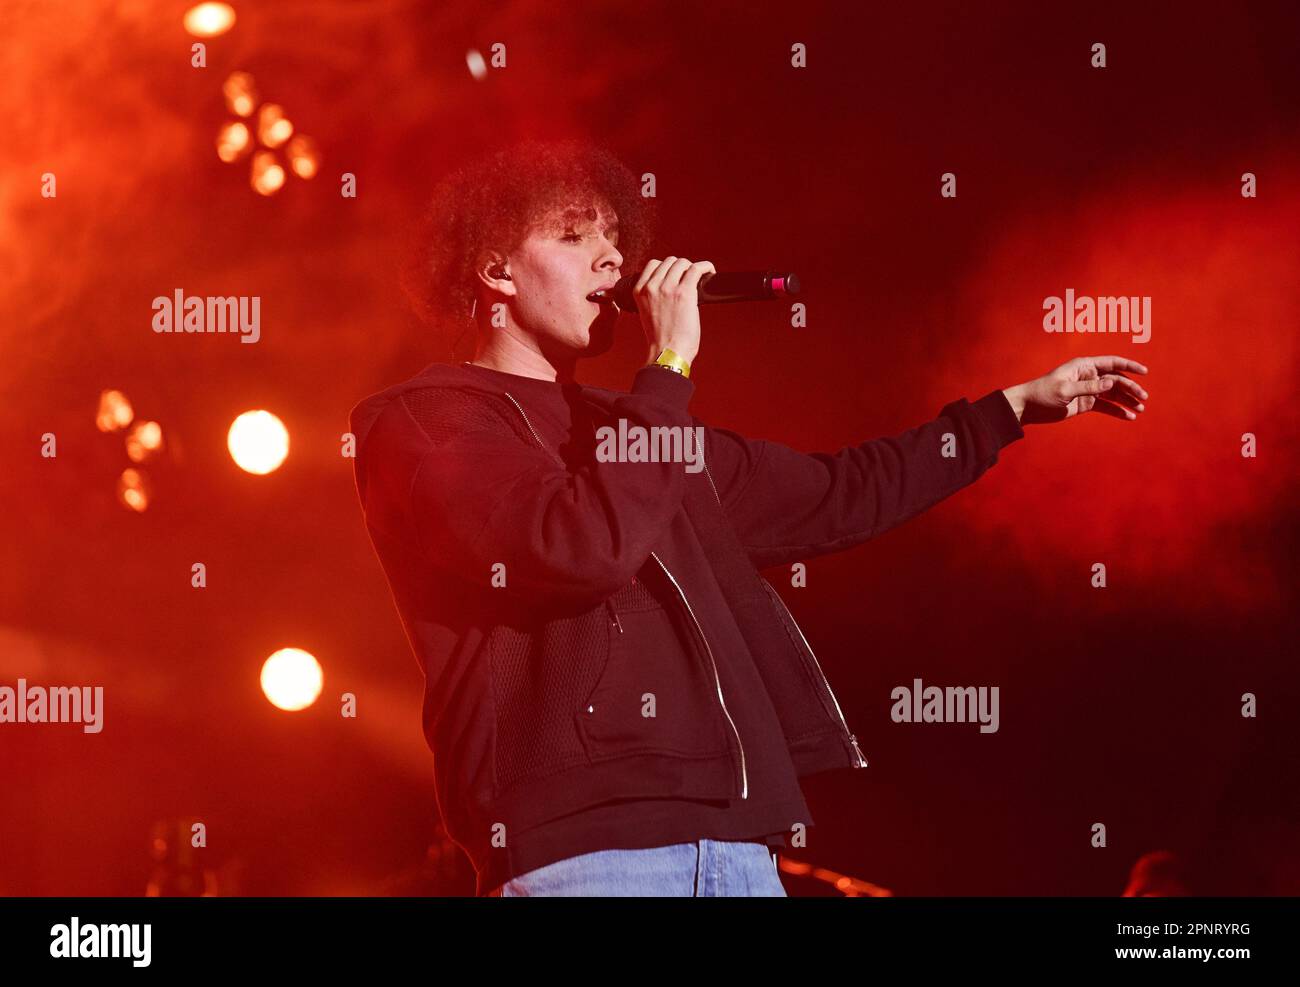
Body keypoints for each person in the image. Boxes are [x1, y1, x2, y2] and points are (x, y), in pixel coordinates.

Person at [348, 138, 1150, 897]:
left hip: (739, 848)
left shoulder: (637, 424)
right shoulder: (426, 421)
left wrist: (1007, 411)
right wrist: (665, 369)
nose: (612, 259)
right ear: (494, 269)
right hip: (585, 858)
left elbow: (837, 491)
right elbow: (578, 544)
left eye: (615, 239)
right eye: (572, 236)